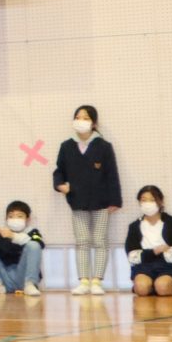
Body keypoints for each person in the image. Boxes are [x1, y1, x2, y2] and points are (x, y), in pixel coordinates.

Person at [54, 104, 121, 295]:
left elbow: (112, 174)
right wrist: (60, 185)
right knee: (82, 241)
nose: (81, 121)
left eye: (85, 118)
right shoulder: (66, 146)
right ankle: (83, 281)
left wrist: (115, 200)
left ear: (93, 123)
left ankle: (97, 282)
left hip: (101, 202)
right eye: (78, 117)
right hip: (77, 201)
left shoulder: (104, 146)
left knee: (100, 240)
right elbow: (59, 171)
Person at [0, 202, 44, 295]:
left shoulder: (33, 232)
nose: (15, 219)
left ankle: (30, 284)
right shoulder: (1, 233)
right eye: (11, 216)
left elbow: (39, 245)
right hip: (4, 277)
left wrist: (13, 236)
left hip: (22, 276)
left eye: (19, 216)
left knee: (33, 245)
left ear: (28, 219)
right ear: (6, 219)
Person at [126, 186, 172, 298]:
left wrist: (145, 254)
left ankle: (165, 286)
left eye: (152, 200)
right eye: (144, 200)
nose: (148, 203)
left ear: (160, 201)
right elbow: (132, 256)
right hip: (144, 267)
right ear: (139, 202)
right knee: (141, 288)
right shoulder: (134, 227)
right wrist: (155, 251)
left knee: (163, 287)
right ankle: (151, 287)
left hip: (169, 266)